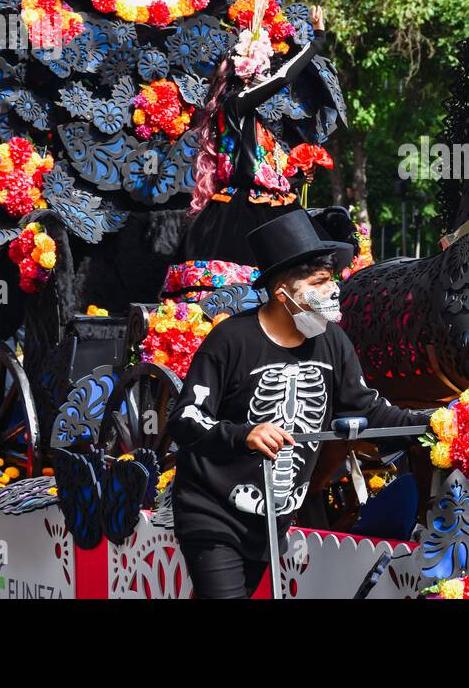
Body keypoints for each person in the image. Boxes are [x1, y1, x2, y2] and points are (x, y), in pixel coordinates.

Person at [167, 209, 430, 598]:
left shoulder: (333, 342)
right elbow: (185, 418)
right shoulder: (231, 340)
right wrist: (244, 434)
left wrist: (432, 422)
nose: (333, 290)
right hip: (213, 511)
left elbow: (368, 409)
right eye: (320, 282)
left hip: (272, 517)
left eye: (333, 281)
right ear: (282, 292)